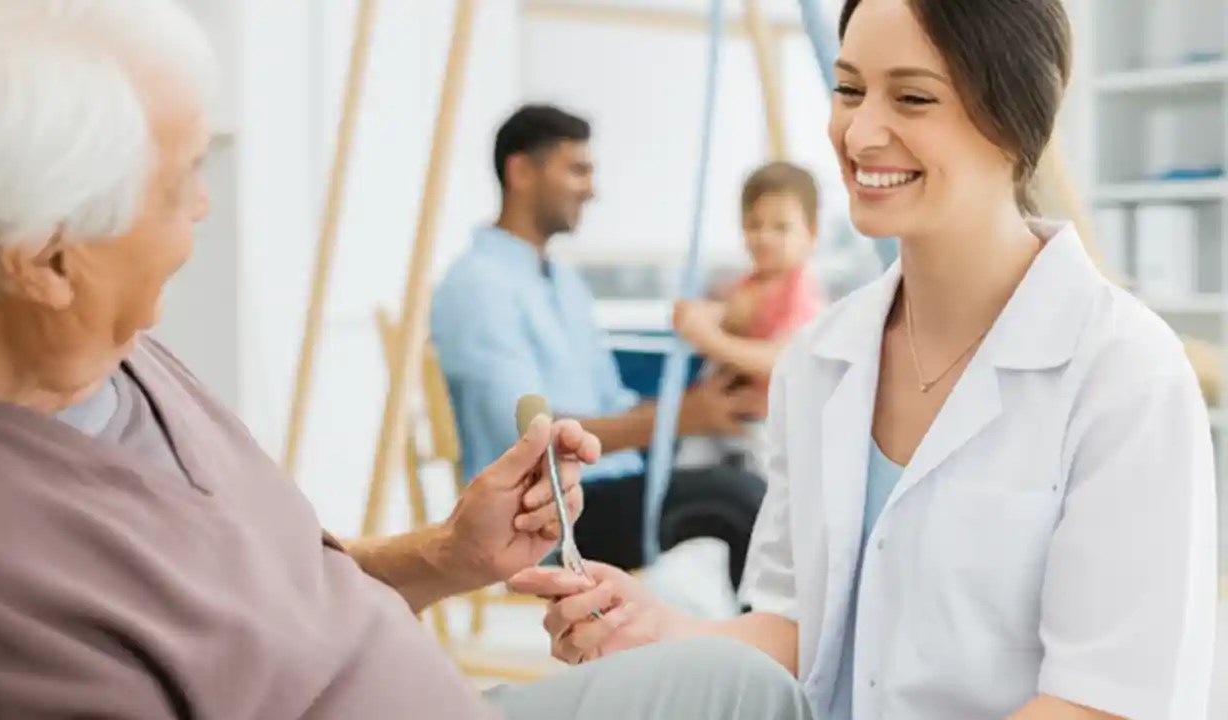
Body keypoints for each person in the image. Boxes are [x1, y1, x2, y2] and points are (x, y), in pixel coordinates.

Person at [0, 2, 812, 718]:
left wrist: (447, 554)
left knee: (746, 683)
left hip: (442, 693)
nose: (207, 206)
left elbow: (281, 596)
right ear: (47, 260)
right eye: (177, 185)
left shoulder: (130, 359)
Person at [509, 0, 1219, 718]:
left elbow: (1102, 703)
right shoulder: (818, 362)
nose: (860, 131)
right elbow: (802, 633)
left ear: (1013, 115)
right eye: (849, 89)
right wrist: (667, 631)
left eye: (911, 98)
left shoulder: (1124, 375)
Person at [432, 104, 767, 592]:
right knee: (735, 498)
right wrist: (680, 417)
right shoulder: (476, 287)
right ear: (521, 171)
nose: (592, 188)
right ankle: (761, 661)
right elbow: (528, 439)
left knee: (763, 482)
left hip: (609, 484)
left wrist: (706, 404)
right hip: (547, 515)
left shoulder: (564, 283)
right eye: (576, 170)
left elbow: (613, 405)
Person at [673, 160, 827, 382]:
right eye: (754, 225)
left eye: (780, 227)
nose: (764, 237)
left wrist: (712, 341)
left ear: (811, 233)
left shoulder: (802, 293)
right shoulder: (754, 283)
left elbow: (785, 360)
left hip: (778, 413)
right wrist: (706, 314)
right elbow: (736, 315)